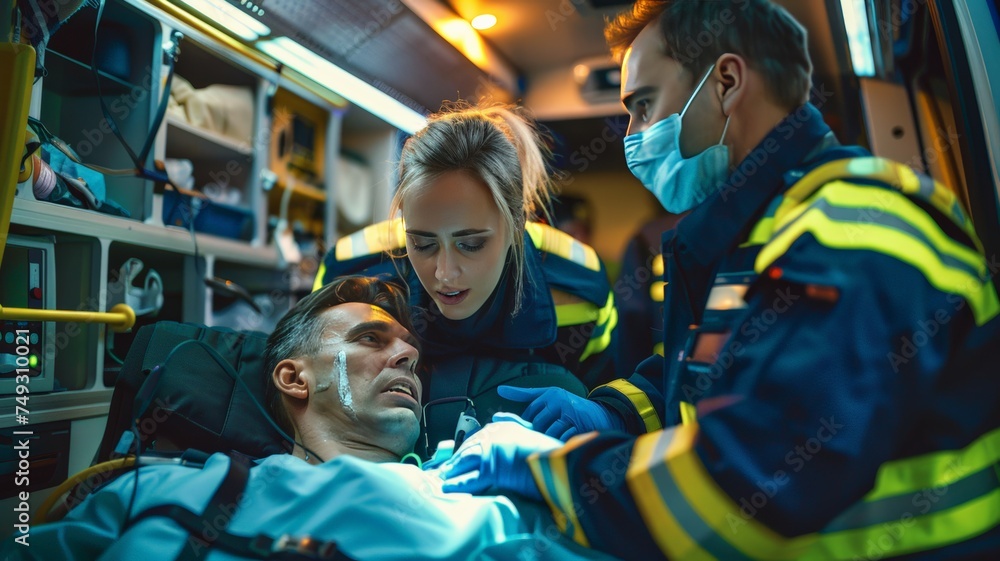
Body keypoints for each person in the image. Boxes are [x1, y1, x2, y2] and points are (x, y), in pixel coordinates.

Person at [440, 1, 1000, 559]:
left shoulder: (851, 234)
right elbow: (714, 374)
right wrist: (612, 412)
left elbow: (746, 487)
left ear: (727, 82)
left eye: (644, 105)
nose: (631, 136)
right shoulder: (758, 234)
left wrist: (543, 473)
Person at [3, 277, 614, 561]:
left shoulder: (485, 472)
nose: (405, 355)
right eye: (372, 339)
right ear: (294, 378)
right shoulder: (158, 486)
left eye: (410, 350)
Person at [314, 103, 620, 452]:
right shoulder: (350, 276)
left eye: (471, 244)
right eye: (422, 243)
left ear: (517, 224)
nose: (445, 273)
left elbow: (605, 410)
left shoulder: (579, 287)